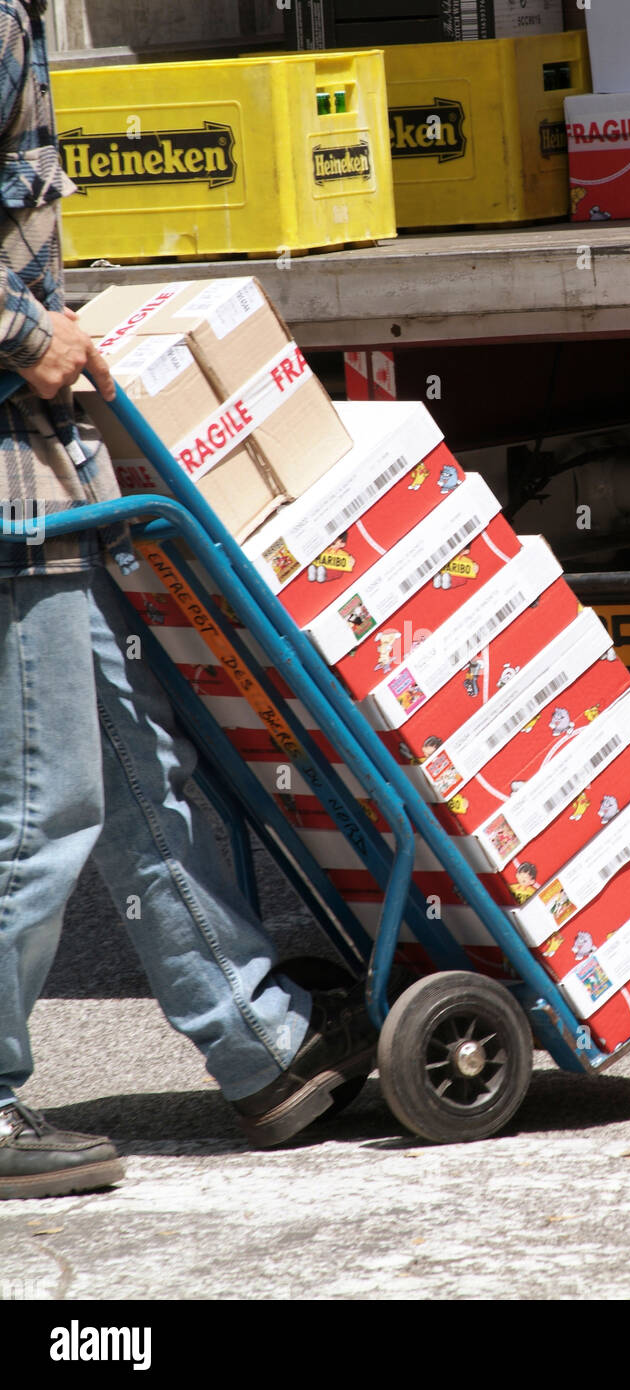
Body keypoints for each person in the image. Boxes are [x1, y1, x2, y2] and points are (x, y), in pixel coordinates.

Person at [0, 0, 379, 1201]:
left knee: (130, 768)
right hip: (10, 489)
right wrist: (24, 336)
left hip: (45, 474)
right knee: (46, 803)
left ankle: (258, 1045)